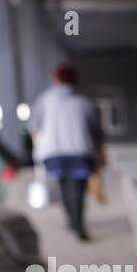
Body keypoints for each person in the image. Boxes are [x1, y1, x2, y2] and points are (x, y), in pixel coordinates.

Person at [29, 64, 102, 241]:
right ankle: (78, 224)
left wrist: (39, 147)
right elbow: (96, 130)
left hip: (53, 154)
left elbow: (34, 128)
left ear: (55, 79)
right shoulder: (84, 101)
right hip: (80, 152)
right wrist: (99, 154)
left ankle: (71, 220)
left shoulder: (44, 100)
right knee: (77, 189)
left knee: (63, 186)